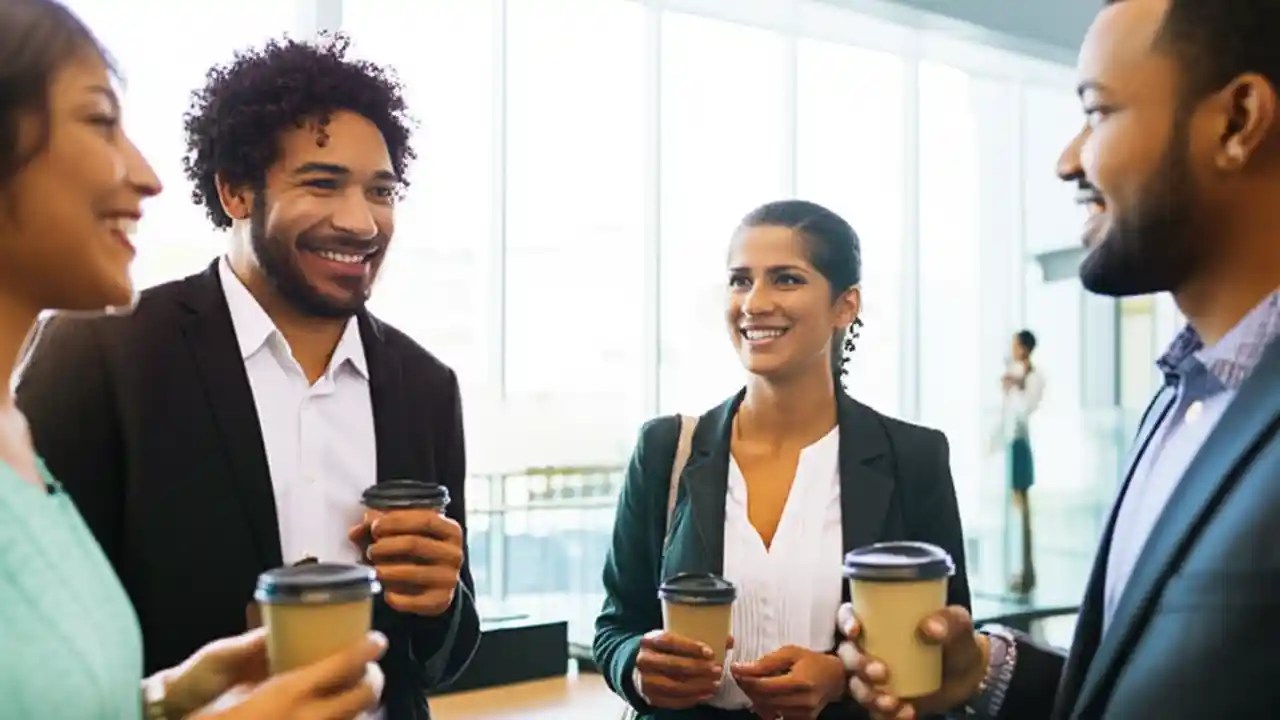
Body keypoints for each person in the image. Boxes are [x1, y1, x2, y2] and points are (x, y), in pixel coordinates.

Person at [15, 32, 478, 719]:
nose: (360, 221)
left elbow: (440, 657)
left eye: (380, 192)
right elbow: (42, 636)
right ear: (235, 191)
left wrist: (442, 604)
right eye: (322, 183)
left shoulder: (424, 385)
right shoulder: (104, 353)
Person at [840, 0, 1280, 718]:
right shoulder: (1180, 397)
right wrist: (981, 672)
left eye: (1098, 113)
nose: (1067, 159)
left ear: (1236, 121)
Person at [594, 200, 971, 720]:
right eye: (740, 280)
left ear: (846, 305)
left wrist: (842, 676)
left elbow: (946, 645)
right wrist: (638, 667)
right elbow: (615, 625)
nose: (754, 302)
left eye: (787, 279)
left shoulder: (913, 458)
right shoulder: (666, 449)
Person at [1000, 330, 1044, 594]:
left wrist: (1014, 387)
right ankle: (1022, 570)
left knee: (1023, 511)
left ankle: (1027, 571)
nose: (1013, 349)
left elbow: (1024, 411)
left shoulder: (1032, 378)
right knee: (1017, 511)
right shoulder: (1017, 375)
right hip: (1013, 443)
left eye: (1015, 345)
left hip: (1022, 444)